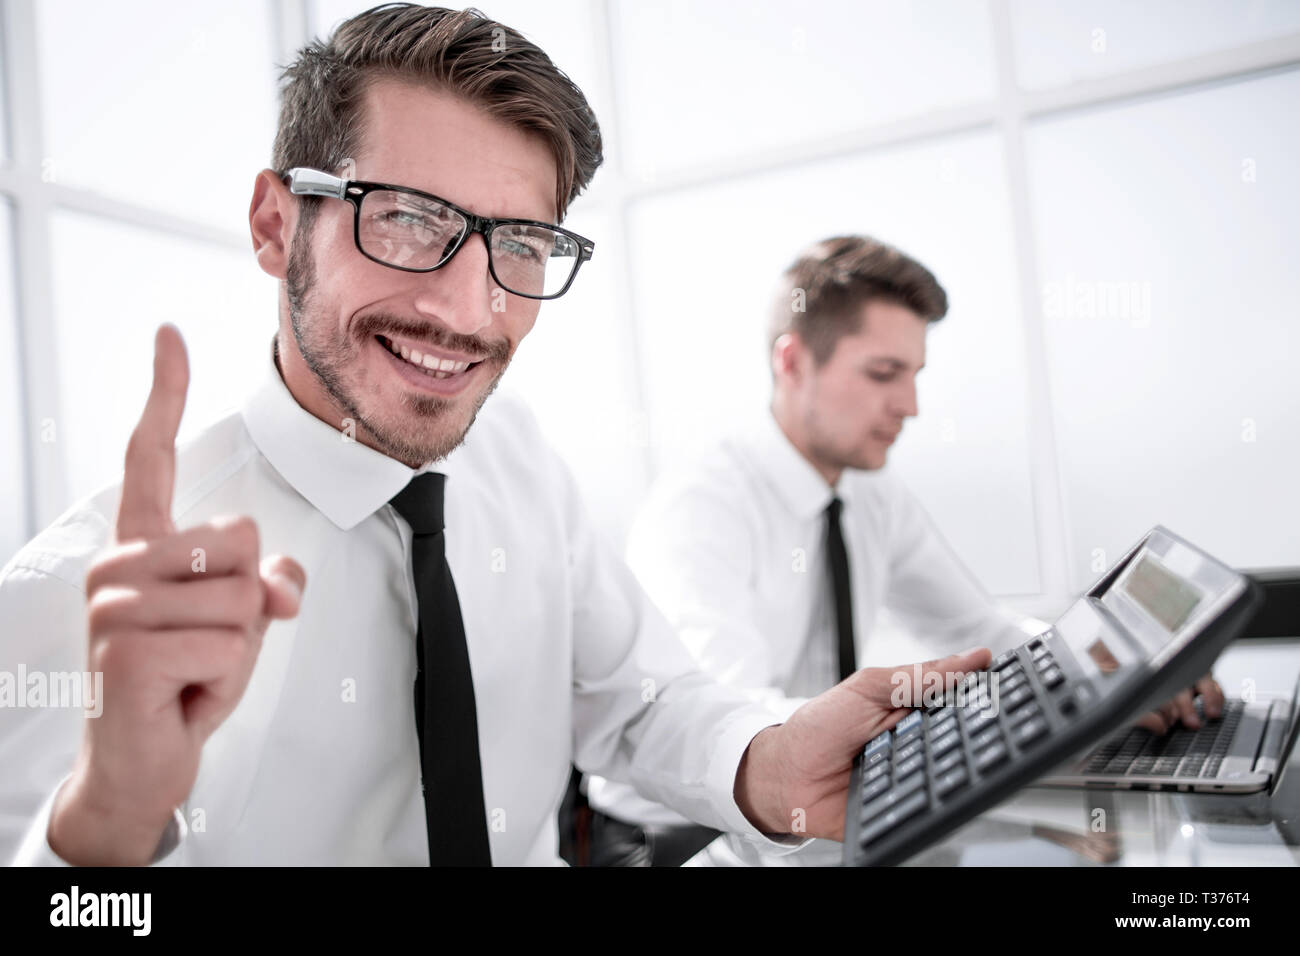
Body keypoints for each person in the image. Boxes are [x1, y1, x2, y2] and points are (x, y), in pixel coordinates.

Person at [0, 5, 991, 867]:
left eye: (518, 244)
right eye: (403, 218)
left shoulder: (510, 455)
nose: (465, 310)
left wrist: (763, 762)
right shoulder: (78, 598)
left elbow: (639, 700)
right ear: (274, 224)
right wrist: (102, 829)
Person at [584, 235, 1225, 866]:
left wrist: (1109, 671)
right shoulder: (700, 508)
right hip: (685, 840)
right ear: (793, 362)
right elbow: (732, 717)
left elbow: (979, 628)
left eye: (915, 375)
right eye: (884, 374)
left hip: (826, 814)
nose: (911, 406)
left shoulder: (871, 494)